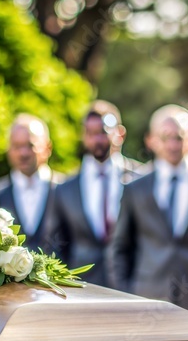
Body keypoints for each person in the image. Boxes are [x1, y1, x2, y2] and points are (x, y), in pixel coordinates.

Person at [107, 104, 188, 319]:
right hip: (146, 300)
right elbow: (120, 247)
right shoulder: (134, 187)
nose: (173, 144)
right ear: (150, 140)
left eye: (179, 136)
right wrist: (127, 296)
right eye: (165, 137)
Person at [54, 101, 142, 286]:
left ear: (120, 133)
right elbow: (58, 244)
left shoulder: (141, 179)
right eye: (90, 133)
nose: (97, 139)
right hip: (82, 286)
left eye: (103, 132)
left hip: (132, 284)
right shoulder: (65, 188)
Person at [0, 114, 62, 255]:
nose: (23, 153)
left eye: (30, 145)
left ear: (48, 147)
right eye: (16, 146)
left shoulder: (65, 189)